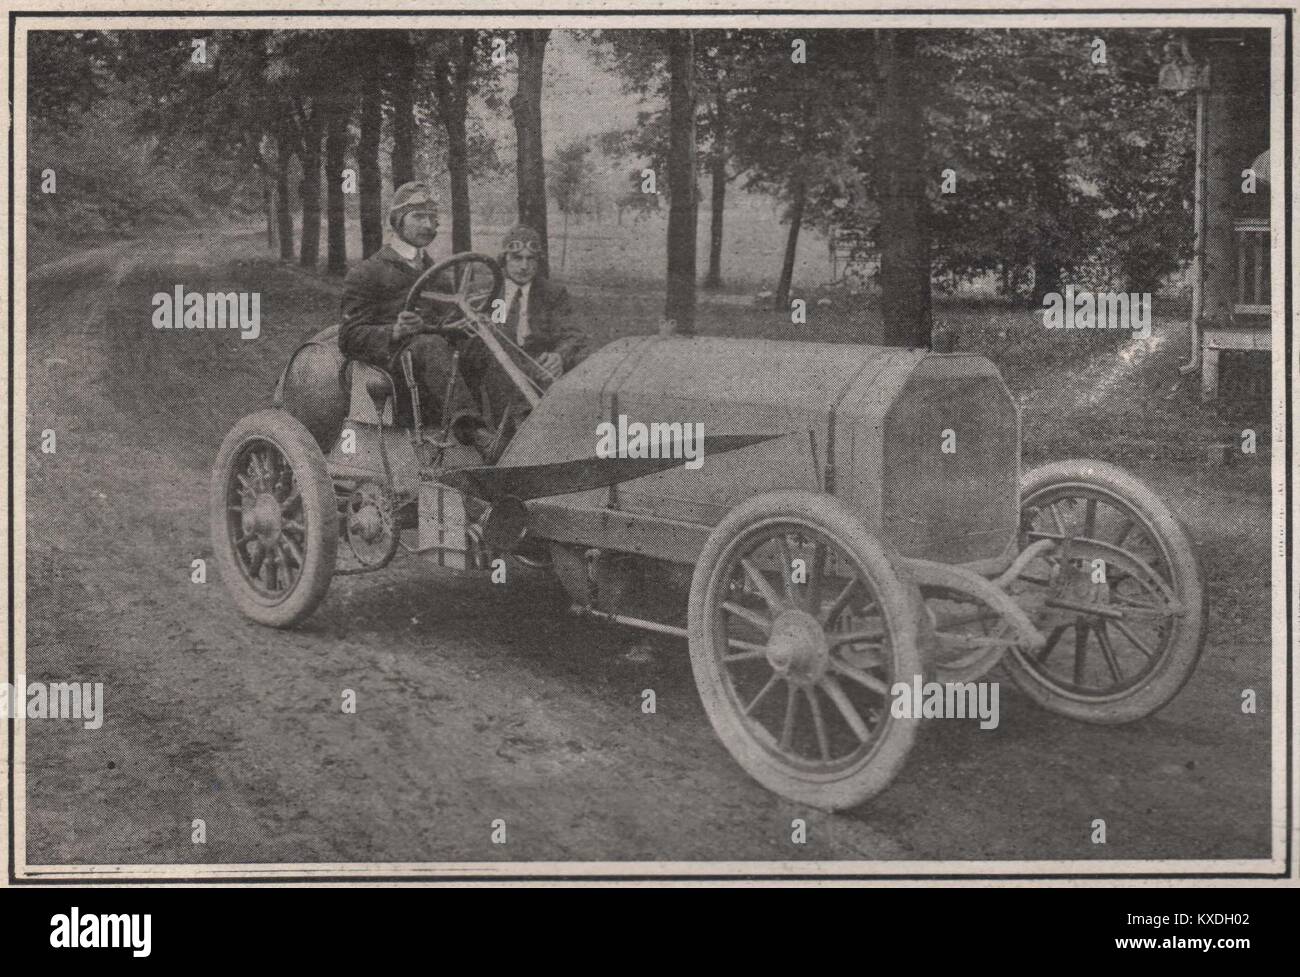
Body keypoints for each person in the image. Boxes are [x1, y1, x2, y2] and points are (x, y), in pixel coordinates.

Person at [339, 181, 486, 447]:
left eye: (433, 218)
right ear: (396, 221)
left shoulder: (437, 274)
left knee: (482, 340)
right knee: (430, 345)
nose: (429, 225)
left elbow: (445, 323)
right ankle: (469, 428)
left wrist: (463, 323)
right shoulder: (367, 273)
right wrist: (394, 331)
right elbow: (349, 337)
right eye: (419, 217)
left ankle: (519, 420)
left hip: (435, 361)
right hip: (394, 365)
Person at [457, 224, 587, 428]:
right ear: (504, 260)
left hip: (537, 363)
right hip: (498, 362)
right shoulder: (489, 292)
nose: (524, 266)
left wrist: (559, 356)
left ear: (538, 262)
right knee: (497, 349)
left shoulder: (552, 294)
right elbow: (484, 335)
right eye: (517, 258)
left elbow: (573, 334)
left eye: (530, 259)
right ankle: (518, 423)